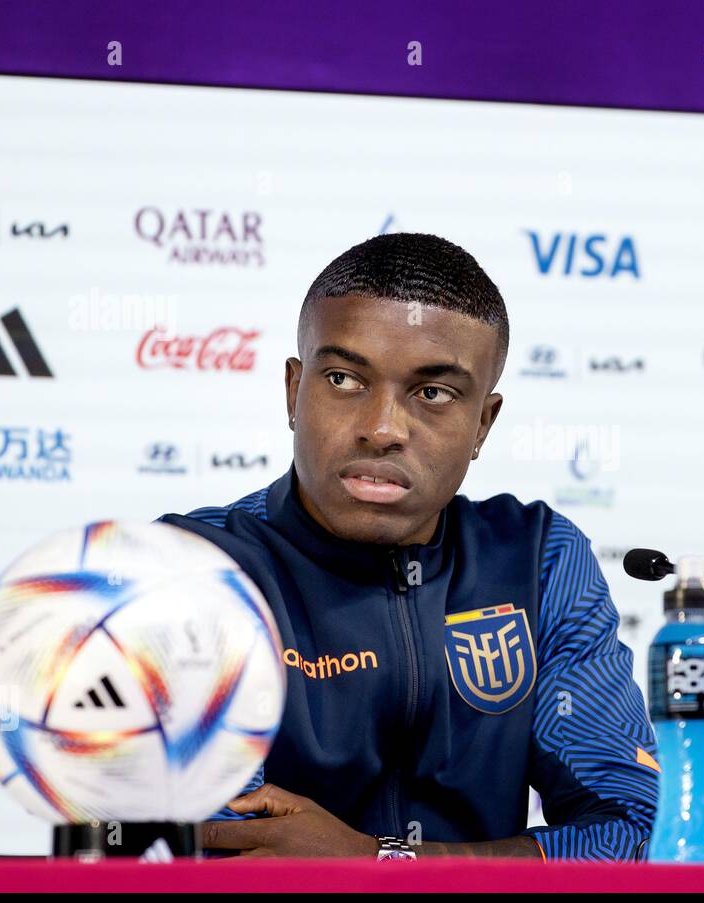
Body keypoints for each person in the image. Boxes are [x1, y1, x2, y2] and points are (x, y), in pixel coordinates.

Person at [159, 233, 660, 860]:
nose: (382, 428)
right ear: (294, 392)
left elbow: (633, 830)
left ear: (483, 423)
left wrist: (383, 865)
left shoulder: (539, 558)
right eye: (343, 378)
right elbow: (225, 845)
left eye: (432, 393)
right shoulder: (192, 566)